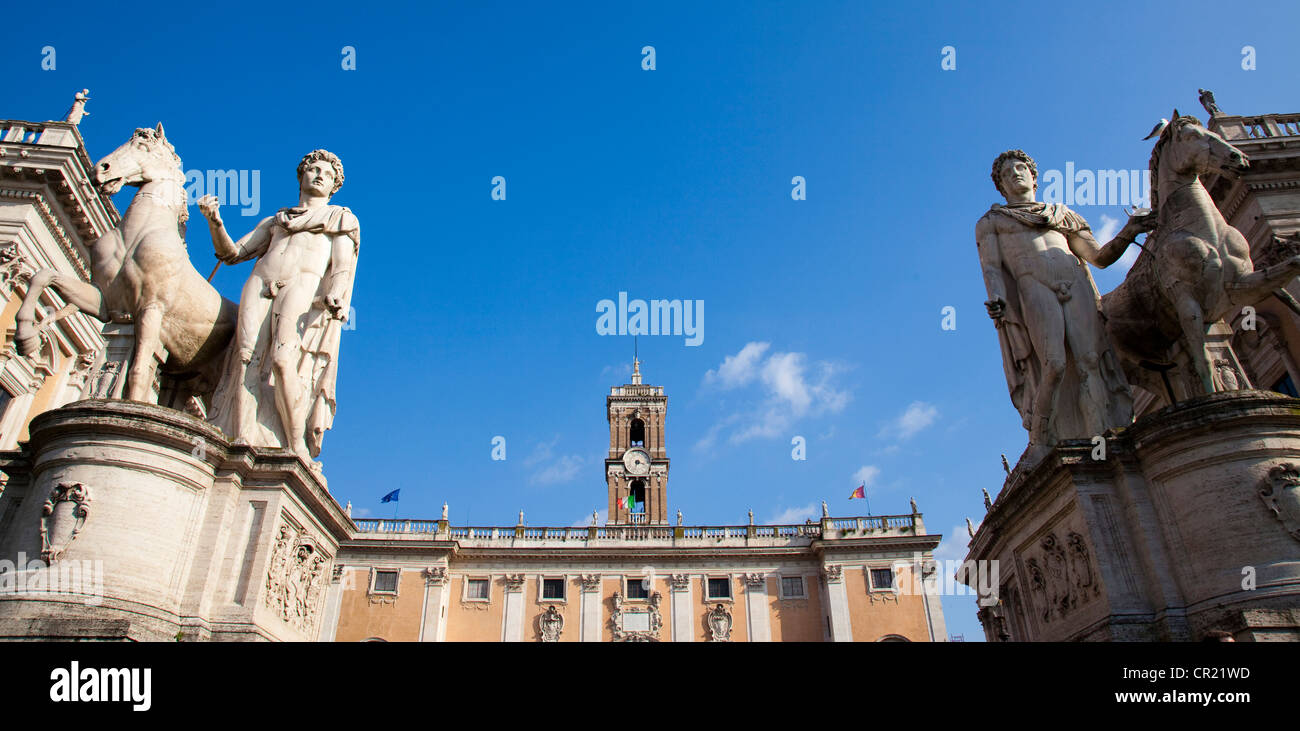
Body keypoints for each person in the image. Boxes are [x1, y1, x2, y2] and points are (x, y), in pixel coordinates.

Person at [976, 150, 1152, 458]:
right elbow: (991, 267)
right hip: (1034, 286)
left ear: (1034, 177)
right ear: (1001, 186)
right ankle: (1041, 435)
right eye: (1007, 173)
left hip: (1075, 283)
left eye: (1021, 168)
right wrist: (997, 298)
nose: (1015, 174)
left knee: (1090, 361)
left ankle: (1102, 441)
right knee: (1054, 364)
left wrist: (1129, 231)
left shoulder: (1062, 214)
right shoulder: (993, 222)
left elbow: (1099, 257)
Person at [199, 150, 359, 463]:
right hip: (260, 283)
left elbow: (342, 268)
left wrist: (336, 294)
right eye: (314, 170)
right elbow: (232, 254)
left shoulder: (340, 218)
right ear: (301, 176)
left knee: (283, 360)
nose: (319, 176)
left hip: (301, 287)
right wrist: (214, 221)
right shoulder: (275, 221)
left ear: (334, 186)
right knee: (244, 359)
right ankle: (240, 438)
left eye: (327, 174)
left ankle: (296, 446)